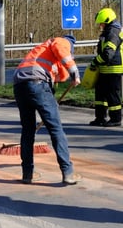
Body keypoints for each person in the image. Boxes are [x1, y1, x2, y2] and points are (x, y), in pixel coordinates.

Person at [13, 35, 82, 185]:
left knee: (27, 130)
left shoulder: (42, 51)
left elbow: (59, 76)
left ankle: (27, 174)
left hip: (19, 84)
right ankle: (68, 172)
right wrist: (74, 72)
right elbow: (60, 48)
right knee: (56, 129)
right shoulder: (61, 42)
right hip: (37, 83)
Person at [88, 7, 123, 127]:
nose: (100, 25)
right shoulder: (107, 32)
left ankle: (116, 119)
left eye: (101, 23)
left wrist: (95, 61)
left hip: (113, 68)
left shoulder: (112, 33)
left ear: (107, 21)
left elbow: (107, 54)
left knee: (112, 95)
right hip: (106, 68)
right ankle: (100, 117)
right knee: (100, 94)